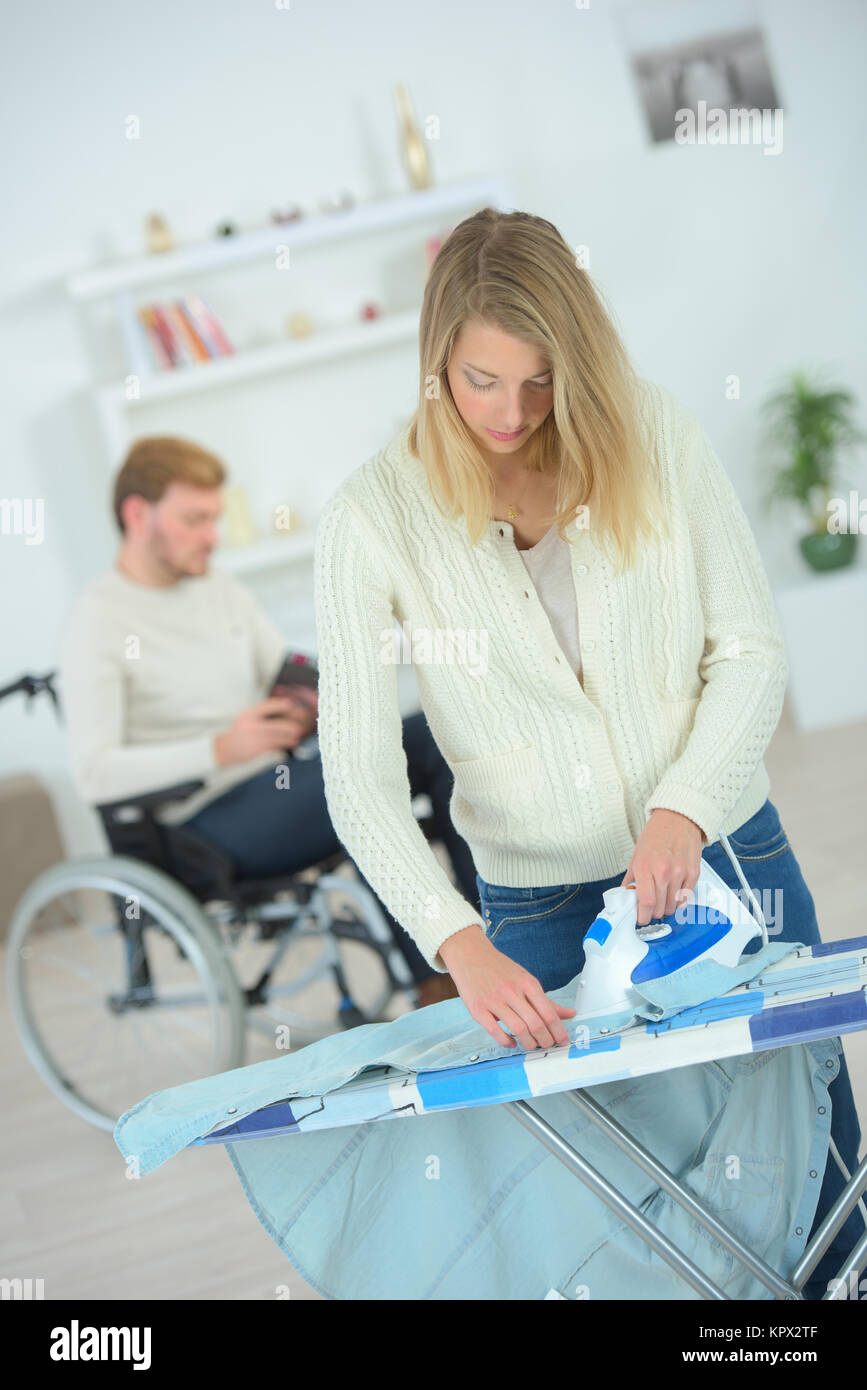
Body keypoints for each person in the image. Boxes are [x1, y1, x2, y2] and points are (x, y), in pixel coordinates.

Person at [312, 206, 862, 1297]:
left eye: (540, 380)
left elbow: (750, 650)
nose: (511, 414)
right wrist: (455, 941)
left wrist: (686, 803)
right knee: (634, 1212)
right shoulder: (372, 518)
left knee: (820, 1164)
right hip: (537, 914)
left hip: (729, 860)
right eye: (479, 380)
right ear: (435, 363)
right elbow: (361, 778)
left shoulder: (654, 434)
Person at [58, 436, 481, 1008]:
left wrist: (312, 700)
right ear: (138, 515)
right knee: (356, 778)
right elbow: (93, 773)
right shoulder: (98, 621)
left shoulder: (216, 585)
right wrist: (221, 748)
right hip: (199, 822)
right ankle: (440, 981)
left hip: (277, 780)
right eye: (194, 519)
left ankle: (496, 935)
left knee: (432, 733)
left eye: (214, 517)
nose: (213, 535)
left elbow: (287, 668)